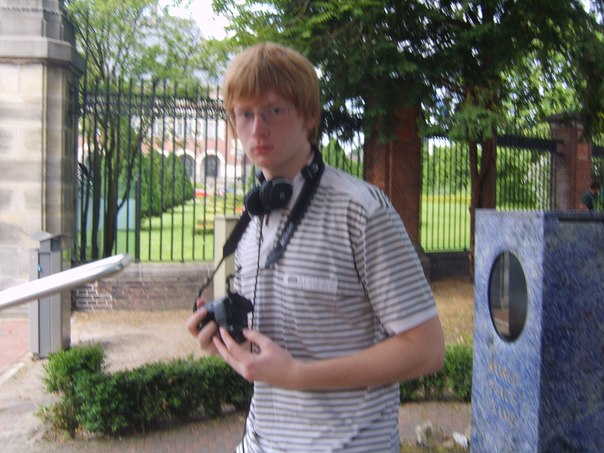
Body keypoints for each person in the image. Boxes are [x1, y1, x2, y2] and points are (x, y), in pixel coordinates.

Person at [187, 42, 445, 453]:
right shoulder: (251, 220)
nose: (257, 129)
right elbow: (272, 349)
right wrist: (225, 341)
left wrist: (297, 375)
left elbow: (427, 351)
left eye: (274, 110)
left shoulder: (361, 211)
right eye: (245, 114)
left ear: (308, 116)